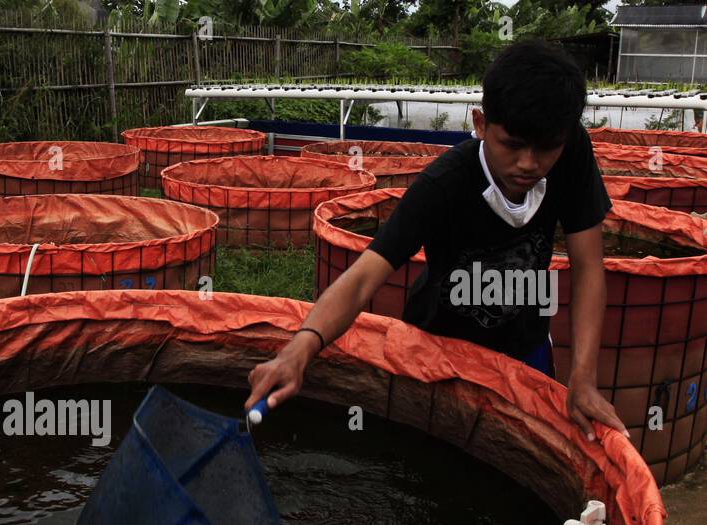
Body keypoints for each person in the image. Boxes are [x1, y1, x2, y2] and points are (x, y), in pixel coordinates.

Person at [245, 39, 629, 443]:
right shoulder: (444, 184)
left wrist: (583, 377)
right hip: (438, 344)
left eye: (547, 148)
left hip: (525, 342)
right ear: (480, 123)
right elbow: (363, 277)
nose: (528, 163)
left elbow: (588, 267)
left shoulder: (572, 155)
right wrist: (298, 351)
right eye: (512, 145)